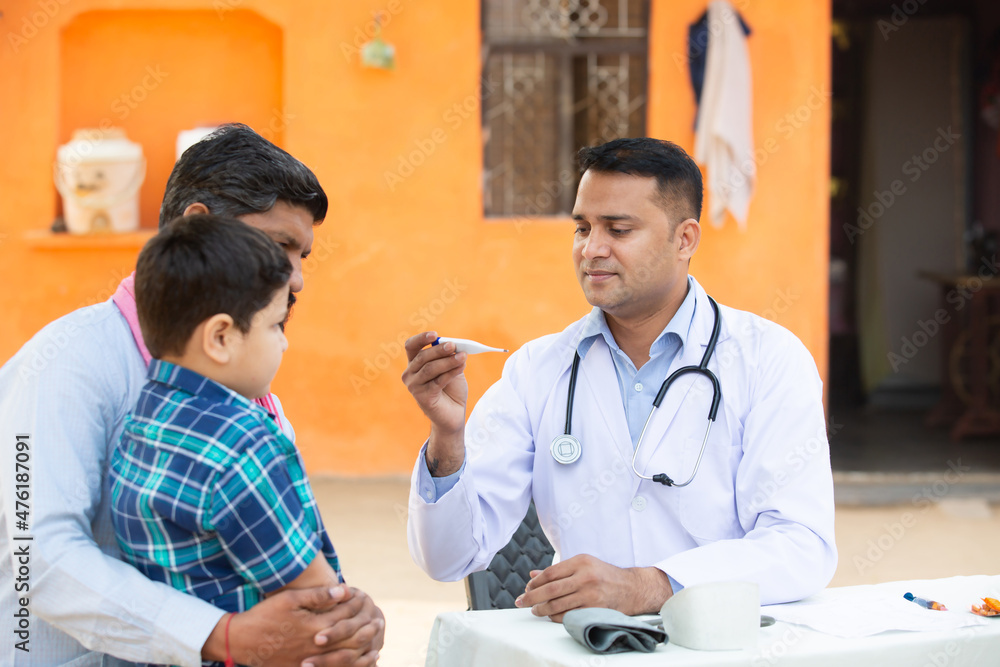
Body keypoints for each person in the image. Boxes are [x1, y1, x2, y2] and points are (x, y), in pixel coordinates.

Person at [402, 137, 837, 621]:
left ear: (685, 240)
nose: (591, 249)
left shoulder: (768, 359)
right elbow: (449, 558)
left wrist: (650, 587)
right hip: (588, 644)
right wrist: (447, 439)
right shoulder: (536, 370)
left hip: (722, 641)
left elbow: (801, 545)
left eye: (618, 229)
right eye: (582, 228)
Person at [0, 124, 384, 666]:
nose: (296, 279)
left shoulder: (244, 389)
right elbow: (37, 559)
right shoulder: (67, 363)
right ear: (196, 225)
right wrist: (224, 635)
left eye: (303, 256)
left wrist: (342, 620)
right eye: (279, 247)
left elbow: (281, 558)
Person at [111, 215, 347, 667]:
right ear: (221, 337)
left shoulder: (141, 420)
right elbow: (322, 601)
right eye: (276, 326)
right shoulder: (240, 446)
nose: (284, 344)